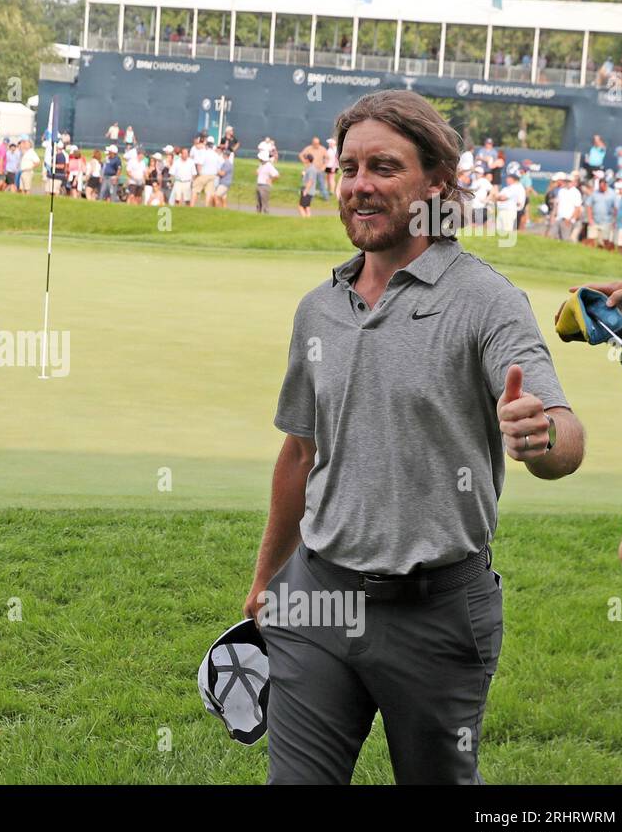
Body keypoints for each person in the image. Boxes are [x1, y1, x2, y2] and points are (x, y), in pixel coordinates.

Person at [248, 89, 585, 785]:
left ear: (436, 184)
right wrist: (267, 582)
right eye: (348, 168)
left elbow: (565, 435)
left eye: (383, 167)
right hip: (317, 596)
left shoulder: (486, 301)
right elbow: (301, 453)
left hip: (436, 616)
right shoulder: (319, 308)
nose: (360, 185)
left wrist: (540, 437)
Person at [586, 176, 616, 250]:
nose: (601, 188)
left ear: (606, 185)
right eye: (600, 187)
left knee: (604, 241)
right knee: (591, 238)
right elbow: (588, 205)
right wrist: (590, 219)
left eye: (603, 187)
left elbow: (616, 208)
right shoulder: (595, 193)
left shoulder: (612, 194)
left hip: (607, 221)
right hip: (595, 220)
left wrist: (614, 221)